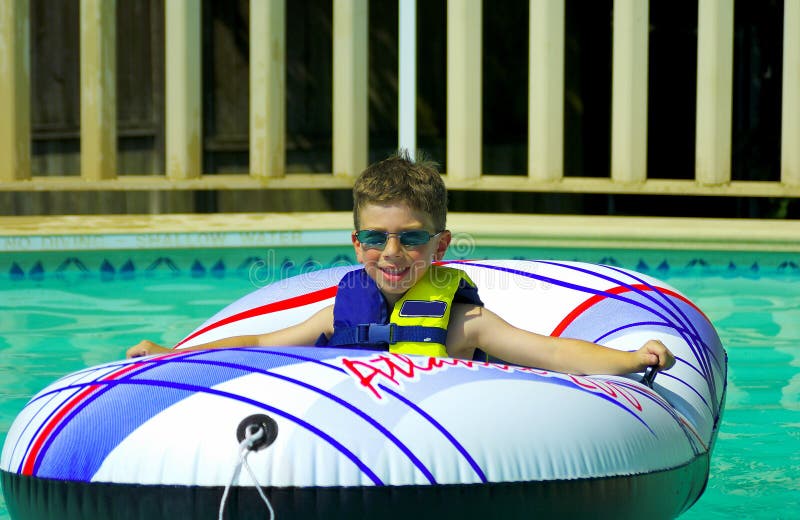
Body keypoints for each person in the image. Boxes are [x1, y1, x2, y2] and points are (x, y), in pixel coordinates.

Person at [127, 152, 675, 377]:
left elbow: (550, 351)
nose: (391, 253)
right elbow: (258, 344)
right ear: (356, 242)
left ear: (440, 246)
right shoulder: (339, 314)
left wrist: (631, 358)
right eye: (375, 237)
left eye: (411, 238)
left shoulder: (465, 324)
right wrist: (174, 354)